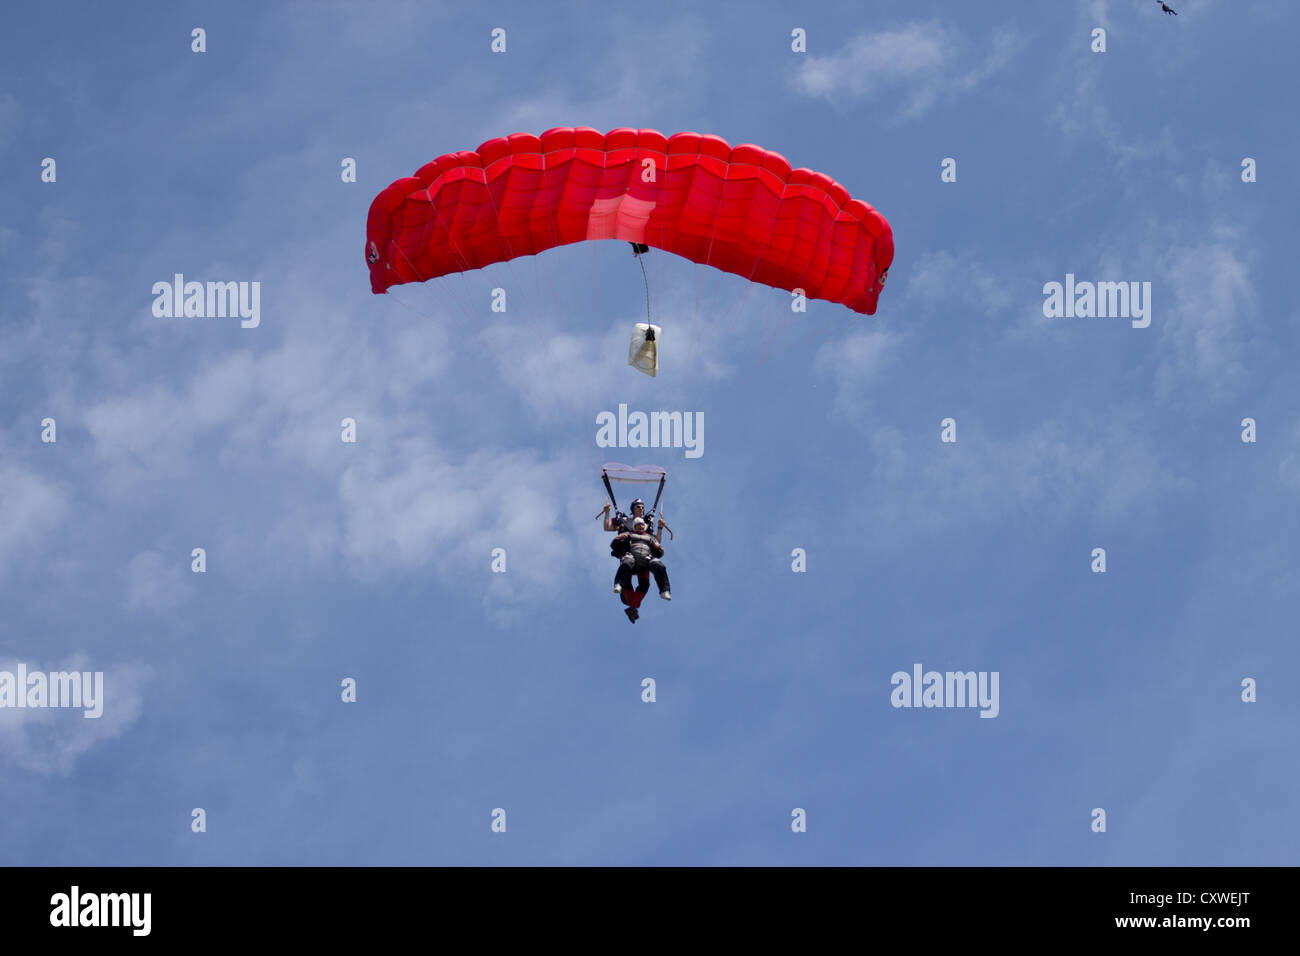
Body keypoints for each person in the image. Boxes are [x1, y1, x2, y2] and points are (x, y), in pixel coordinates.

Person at [612, 517, 671, 603]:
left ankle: (664, 590)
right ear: (634, 526)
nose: (640, 526)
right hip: (632, 557)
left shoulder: (650, 538)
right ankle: (619, 584)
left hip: (646, 559)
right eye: (638, 525)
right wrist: (619, 539)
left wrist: (658, 548)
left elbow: (660, 552)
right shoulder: (628, 534)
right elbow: (614, 545)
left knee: (658, 566)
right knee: (626, 563)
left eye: (642, 524)